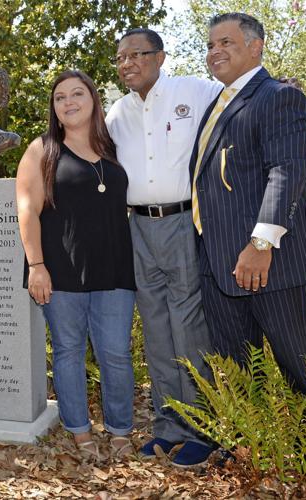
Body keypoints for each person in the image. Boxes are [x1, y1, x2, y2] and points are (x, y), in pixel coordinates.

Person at [105, 28, 219, 466]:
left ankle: (202, 429)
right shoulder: (117, 113)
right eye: (121, 58)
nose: (127, 63)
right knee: (154, 328)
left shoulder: (197, 90)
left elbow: (242, 102)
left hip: (185, 222)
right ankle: (167, 426)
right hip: (138, 228)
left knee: (188, 327)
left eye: (137, 54)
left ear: (160, 56)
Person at [191, 14, 306, 394]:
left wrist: (261, 244)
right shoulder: (217, 105)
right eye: (210, 45)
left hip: (271, 265)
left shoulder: (280, 98)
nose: (215, 51)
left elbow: (286, 172)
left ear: (255, 46)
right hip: (220, 266)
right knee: (242, 378)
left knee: (302, 376)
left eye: (226, 43)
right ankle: (251, 453)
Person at [15, 70, 136, 461]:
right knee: (68, 351)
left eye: (77, 94)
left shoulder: (116, 147)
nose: (68, 102)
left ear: (93, 99)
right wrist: (36, 265)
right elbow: (27, 210)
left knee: (115, 353)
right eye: (60, 97)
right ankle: (80, 432)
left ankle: (119, 429)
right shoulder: (42, 149)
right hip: (60, 271)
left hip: (115, 268)